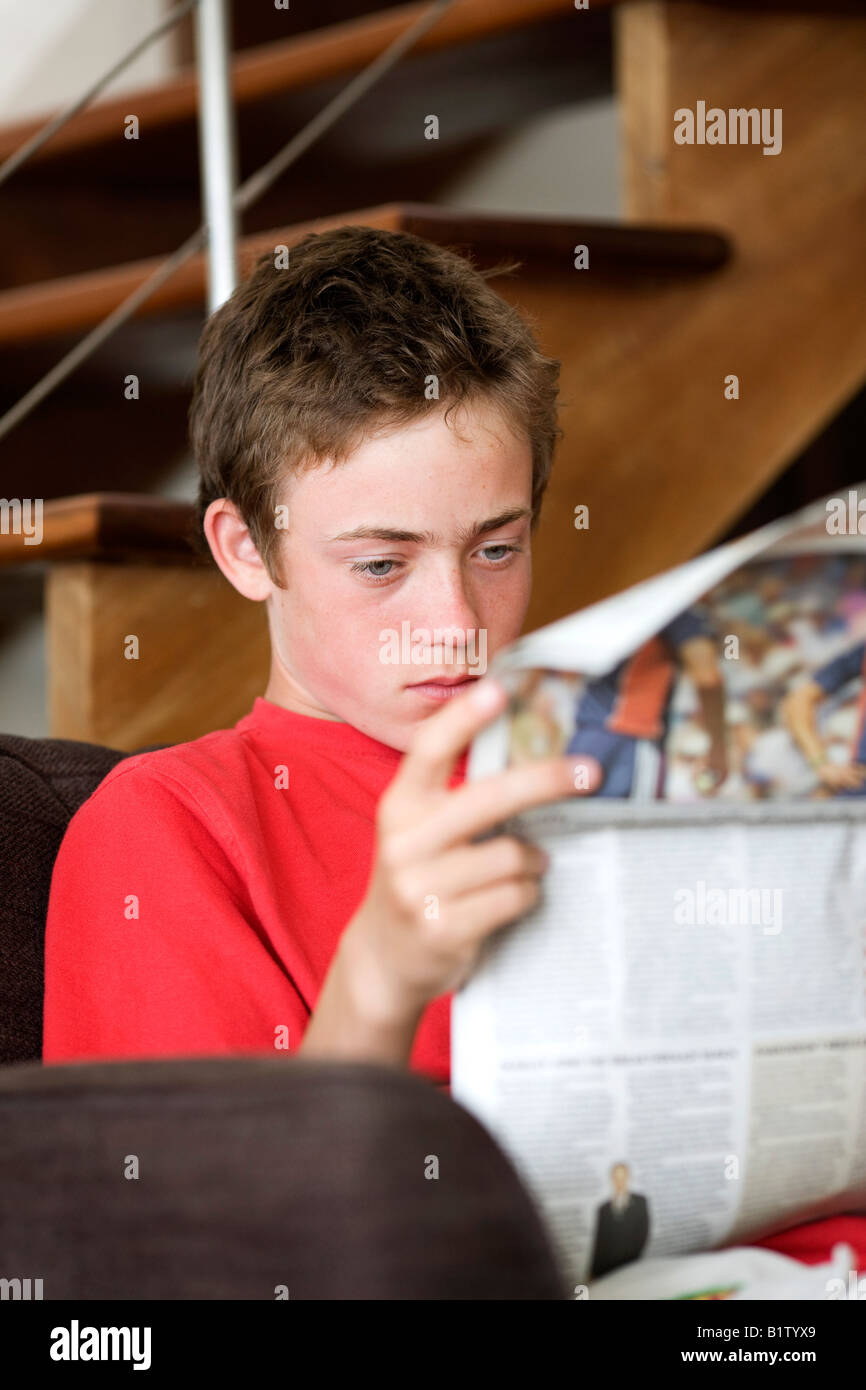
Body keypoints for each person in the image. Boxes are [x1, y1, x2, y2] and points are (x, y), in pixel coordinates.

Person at [42, 225, 866, 1278]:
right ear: (246, 549)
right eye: (382, 564)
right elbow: (196, 1267)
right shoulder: (168, 826)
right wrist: (378, 979)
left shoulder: (607, 746)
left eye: (495, 548)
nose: (456, 621)